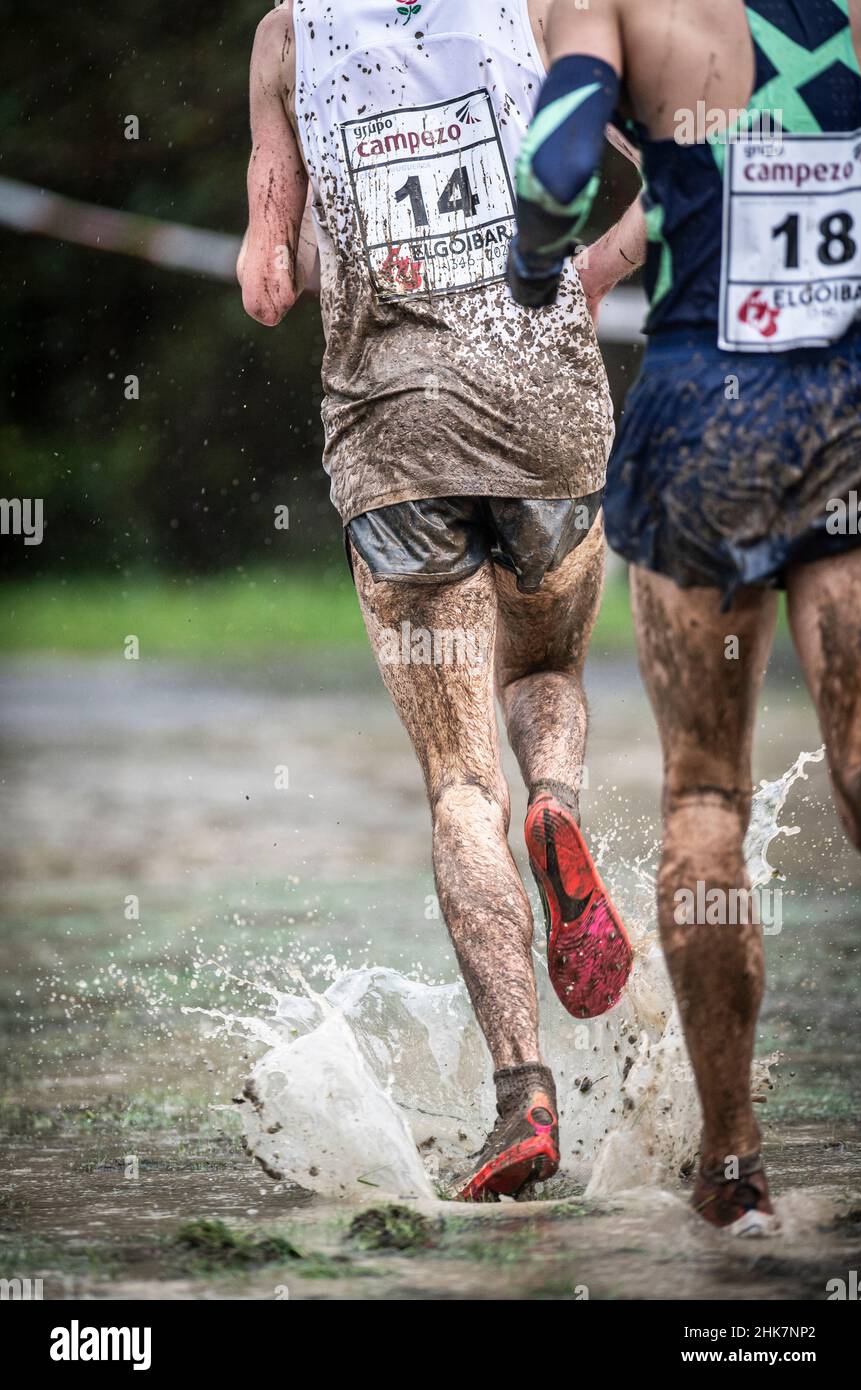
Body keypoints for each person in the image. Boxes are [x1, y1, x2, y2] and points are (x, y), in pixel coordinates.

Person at [238, 0, 642, 1200]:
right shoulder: (544, 5)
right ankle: (556, 802)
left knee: (458, 777)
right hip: (541, 409)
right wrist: (583, 279)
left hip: (390, 439)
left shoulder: (282, 37)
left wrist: (306, 255)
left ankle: (521, 1100)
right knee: (545, 673)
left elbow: (272, 274)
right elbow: (672, 178)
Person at [509, 0, 861, 1232]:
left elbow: (556, 165)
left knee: (704, 793)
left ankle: (730, 1166)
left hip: (702, 413)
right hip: (848, 395)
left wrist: (534, 252)